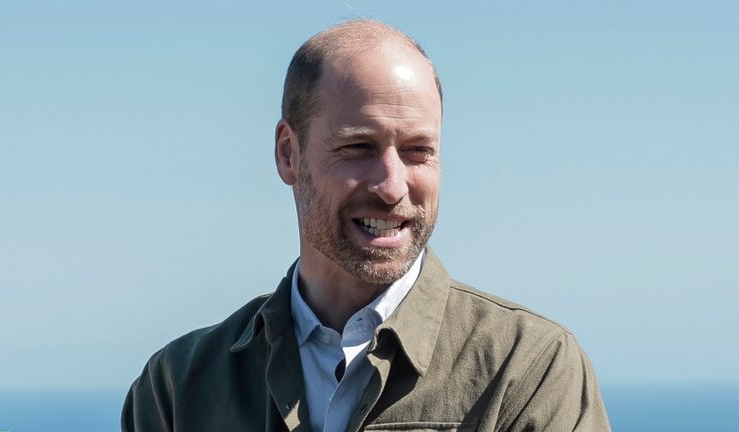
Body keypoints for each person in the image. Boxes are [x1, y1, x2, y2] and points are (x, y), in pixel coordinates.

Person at [122, 19, 611, 432]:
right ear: (288, 153)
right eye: (359, 148)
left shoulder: (526, 369)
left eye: (419, 151)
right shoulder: (178, 387)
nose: (392, 185)